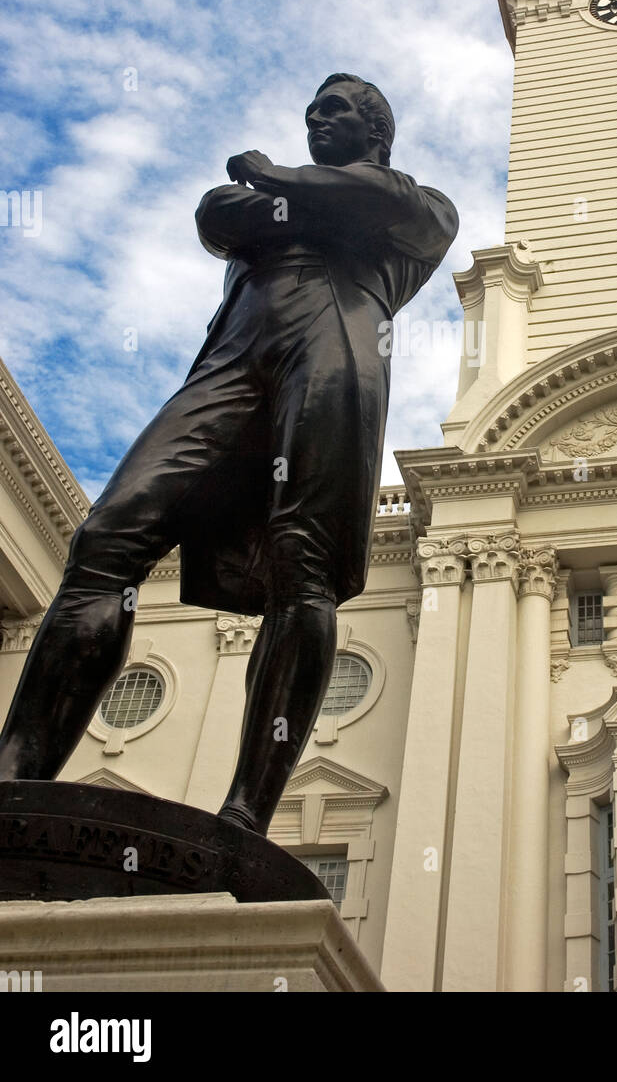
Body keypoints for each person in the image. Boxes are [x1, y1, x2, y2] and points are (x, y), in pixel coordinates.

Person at [0, 74, 458, 835]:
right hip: (232, 361)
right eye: (311, 108)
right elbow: (218, 214)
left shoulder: (418, 203)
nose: (316, 115)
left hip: (335, 353)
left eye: (337, 109)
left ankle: (248, 809)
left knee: (302, 570)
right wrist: (312, 201)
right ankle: (16, 772)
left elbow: (398, 209)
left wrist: (279, 179)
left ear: (378, 136)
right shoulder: (333, 213)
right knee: (107, 537)